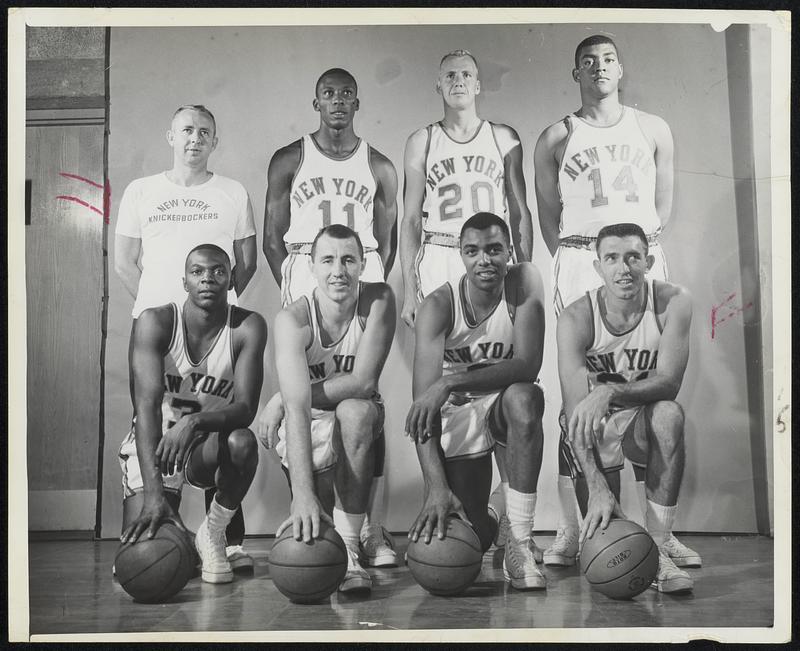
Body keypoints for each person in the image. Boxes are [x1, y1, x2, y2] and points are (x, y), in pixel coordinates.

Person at [534, 35, 699, 568]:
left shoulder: (652, 127)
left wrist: (636, 252)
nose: (598, 68)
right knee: (574, 394)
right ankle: (569, 527)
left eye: (607, 59)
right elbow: (546, 213)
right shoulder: (557, 134)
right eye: (587, 62)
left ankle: (662, 536)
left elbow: (663, 207)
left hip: (635, 251)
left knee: (653, 393)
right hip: (584, 254)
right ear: (575, 73)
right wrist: (580, 255)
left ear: (621, 68)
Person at [399, 48, 537, 554]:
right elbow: (410, 218)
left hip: (495, 256)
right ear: (439, 86)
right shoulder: (422, 139)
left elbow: (519, 210)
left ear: (480, 84)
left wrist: (524, 266)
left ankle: (513, 522)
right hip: (440, 250)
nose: (458, 82)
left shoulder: (504, 136)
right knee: (440, 385)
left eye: (466, 75)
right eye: (449, 76)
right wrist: (411, 284)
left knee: (508, 372)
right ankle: (454, 479)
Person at [114, 104, 259, 571]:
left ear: (215, 140)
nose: (195, 138)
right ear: (170, 136)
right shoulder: (142, 190)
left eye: (205, 132)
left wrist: (209, 313)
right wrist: (165, 312)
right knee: (155, 415)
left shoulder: (232, 192)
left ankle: (224, 538)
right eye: (187, 130)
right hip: (160, 330)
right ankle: (162, 502)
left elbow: (245, 262)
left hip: (213, 327)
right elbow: (124, 262)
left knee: (219, 418)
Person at [263, 68, 398, 567]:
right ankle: (317, 509)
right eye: (328, 94)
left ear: (357, 102)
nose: (337, 102)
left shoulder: (378, 164)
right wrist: (304, 278)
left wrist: (357, 272)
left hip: (354, 265)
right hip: (308, 264)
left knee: (364, 401)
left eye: (346, 94)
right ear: (315, 102)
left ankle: (372, 531)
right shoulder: (289, 158)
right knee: (310, 407)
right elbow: (271, 237)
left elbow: (388, 239)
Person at [406, 212, 547, 590]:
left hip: (501, 400)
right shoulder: (438, 305)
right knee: (471, 538)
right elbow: (423, 411)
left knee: (526, 398)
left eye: (494, 249)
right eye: (473, 251)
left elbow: (528, 365)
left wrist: (451, 381)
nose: (484, 259)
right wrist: (435, 486)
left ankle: (520, 540)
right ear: (461, 254)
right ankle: (497, 512)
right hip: (459, 413)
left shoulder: (524, 281)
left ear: (509, 251)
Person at [256, 225, 396, 593]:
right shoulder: (292, 320)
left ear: (363, 264)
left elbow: (363, 382)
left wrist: (280, 400)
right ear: (312, 267)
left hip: (357, 417)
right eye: (328, 260)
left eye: (349, 259)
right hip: (309, 422)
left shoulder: (378, 299)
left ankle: (351, 547)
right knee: (314, 519)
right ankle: (354, 524)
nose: (339, 271)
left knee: (355, 409)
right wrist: (301, 493)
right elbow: (299, 408)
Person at [557, 222, 694, 593]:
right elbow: (573, 411)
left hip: (637, 415)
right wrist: (598, 485)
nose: (624, 268)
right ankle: (572, 527)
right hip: (591, 425)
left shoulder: (673, 301)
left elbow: (669, 384)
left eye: (634, 256)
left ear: (648, 261)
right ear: (598, 266)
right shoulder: (575, 317)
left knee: (669, 413)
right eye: (612, 258)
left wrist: (609, 392)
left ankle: (660, 543)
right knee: (605, 535)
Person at [119, 244, 267, 585]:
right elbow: (145, 408)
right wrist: (155, 496)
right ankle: (175, 530)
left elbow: (245, 409)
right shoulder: (155, 321)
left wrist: (193, 422)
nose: (208, 280)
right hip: (158, 442)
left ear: (231, 280)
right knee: (145, 559)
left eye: (218, 272)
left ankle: (213, 533)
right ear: (184, 281)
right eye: (198, 272)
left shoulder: (248, 327)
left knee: (242, 443)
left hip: (205, 446)